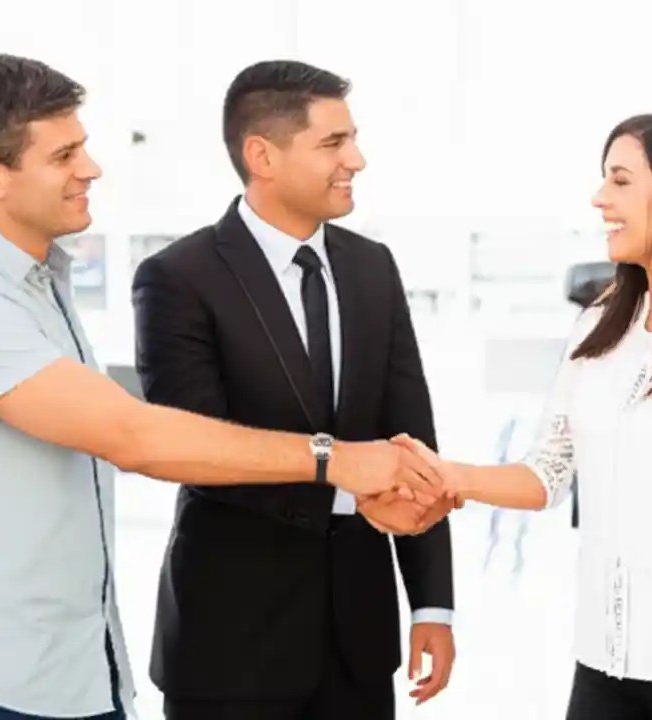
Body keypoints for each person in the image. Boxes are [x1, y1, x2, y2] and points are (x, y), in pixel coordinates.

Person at [0, 54, 441, 720]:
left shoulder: (39, 288)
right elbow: (134, 433)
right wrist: (336, 461)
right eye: (64, 155)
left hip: (70, 672)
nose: (90, 169)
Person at [403, 113, 652, 720]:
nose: (600, 199)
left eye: (619, 180)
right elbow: (547, 472)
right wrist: (448, 476)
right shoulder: (596, 328)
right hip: (601, 661)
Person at [131, 60, 456, 720]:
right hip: (230, 647)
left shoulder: (373, 267)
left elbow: (411, 437)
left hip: (359, 643)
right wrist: (343, 477)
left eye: (353, 138)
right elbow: (196, 452)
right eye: (334, 143)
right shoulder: (178, 278)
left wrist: (431, 601)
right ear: (263, 155)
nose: (357, 160)